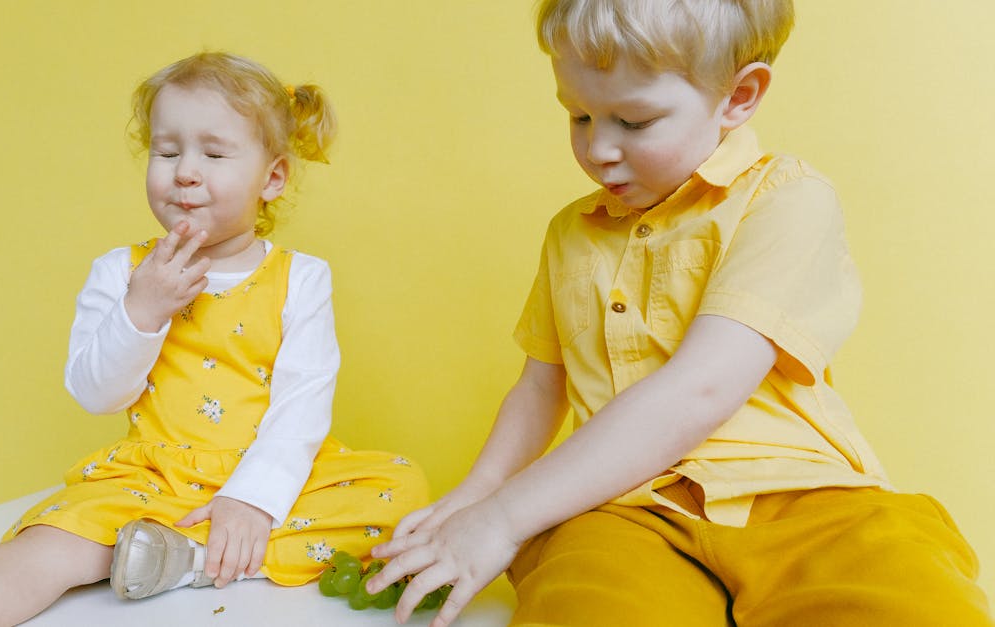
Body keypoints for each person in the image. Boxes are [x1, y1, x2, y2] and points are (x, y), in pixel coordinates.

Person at [365, 2, 994, 626]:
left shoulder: (786, 199)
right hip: (624, 511)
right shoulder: (570, 234)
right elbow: (539, 386)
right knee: (583, 603)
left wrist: (505, 516)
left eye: (634, 122)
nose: (598, 148)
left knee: (911, 599)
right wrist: (474, 501)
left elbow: (702, 386)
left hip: (803, 499)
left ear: (738, 96)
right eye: (579, 115)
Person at [0, 51, 428, 627]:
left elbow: (303, 404)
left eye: (213, 153)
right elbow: (96, 393)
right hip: (153, 473)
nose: (184, 173)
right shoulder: (122, 271)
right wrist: (142, 310)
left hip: (275, 473)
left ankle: (191, 558)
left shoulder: (301, 278)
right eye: (166, 151)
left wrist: (252, 501)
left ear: (272, 179)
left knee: (401, 487)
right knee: (51, 546)